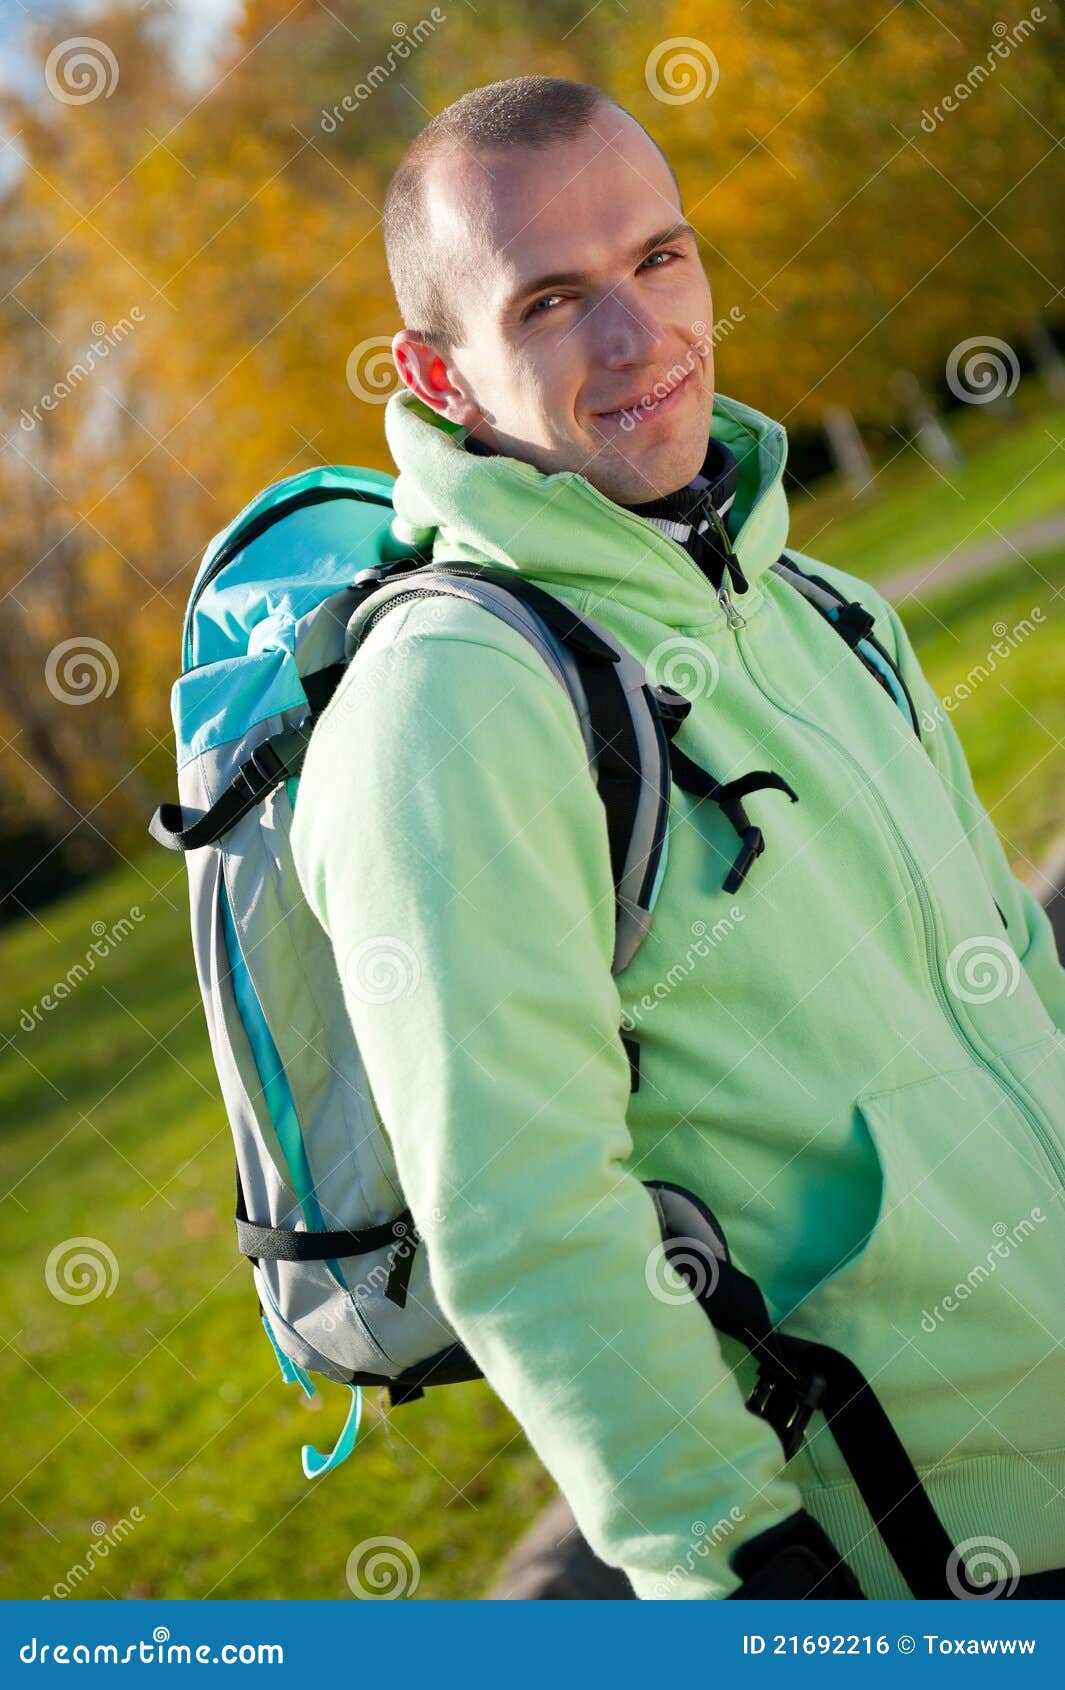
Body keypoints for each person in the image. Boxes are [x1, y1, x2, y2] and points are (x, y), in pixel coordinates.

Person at [290, 75, 1065, 1599]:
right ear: (437, 379)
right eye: (552, 302)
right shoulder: (450, 700)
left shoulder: (818, 605)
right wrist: (735, 1567)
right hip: (908, 1553)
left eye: (659, 258)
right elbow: (523, 1213)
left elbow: (1015, 970)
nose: (640, 336)